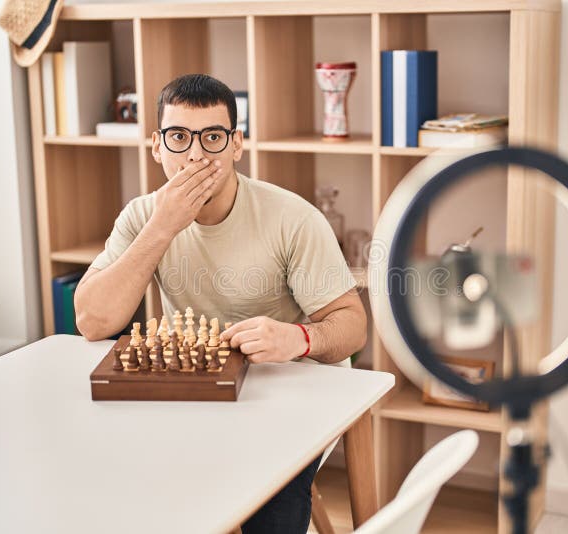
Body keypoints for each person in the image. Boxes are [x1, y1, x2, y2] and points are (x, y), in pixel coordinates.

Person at [74, 73, 367, 533]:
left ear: (236, 144)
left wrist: (300, 337)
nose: (195, 154)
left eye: (212, 137)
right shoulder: (141, 217)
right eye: (178, 137)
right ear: (156, 146)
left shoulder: (293, 218)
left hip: (287, 398)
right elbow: (92, 321)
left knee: (269, 506)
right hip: (192, 396)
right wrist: (162, 227)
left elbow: (353, 325)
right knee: (115, 483)